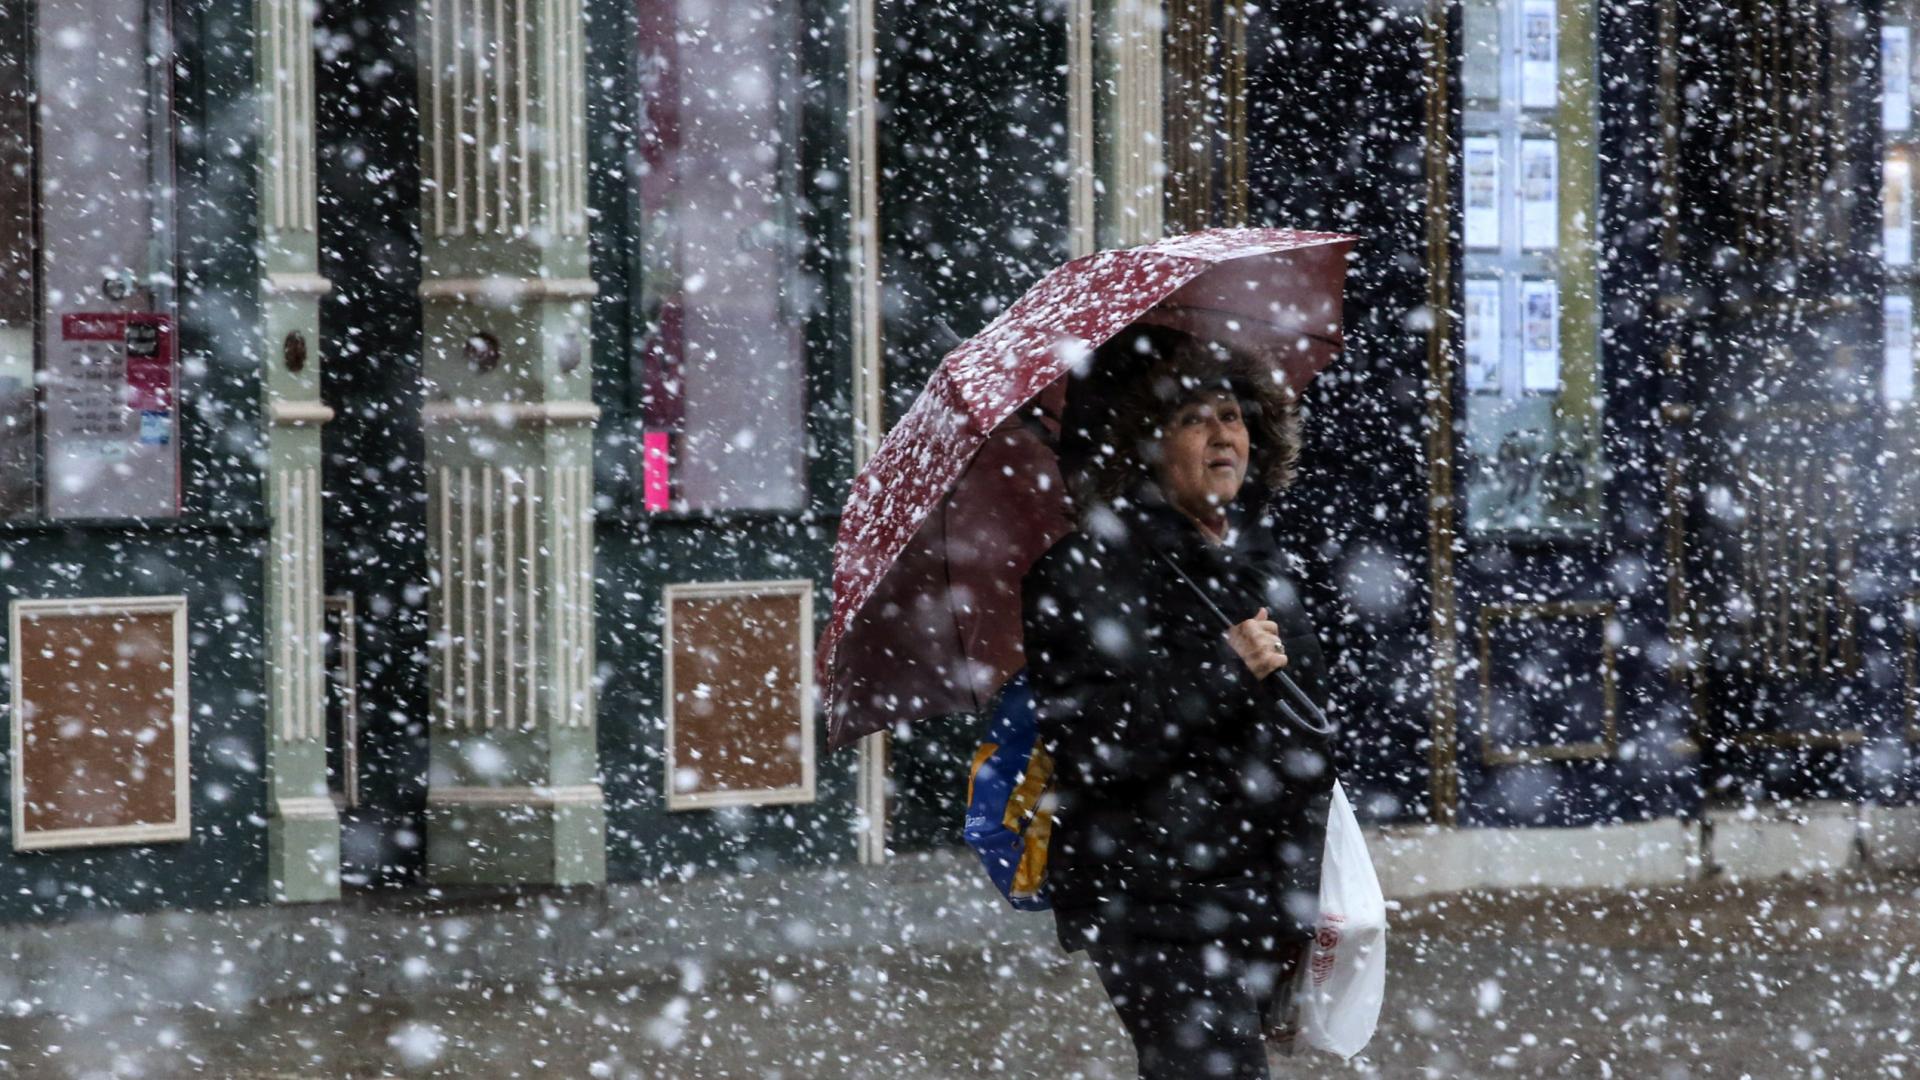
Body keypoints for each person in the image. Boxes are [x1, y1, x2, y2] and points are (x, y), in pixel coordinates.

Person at [1020, 325, 1336, 1080]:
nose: (1221, 435)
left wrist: (1299, 901)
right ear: (1143, 446)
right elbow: (1095, 743)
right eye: (1193, 419)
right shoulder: (1083, 571)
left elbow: (1302, 735)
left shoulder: (1262, 559)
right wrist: (1222, 668)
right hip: (1154, 900)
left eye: (1231, 415)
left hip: (1253, 895)